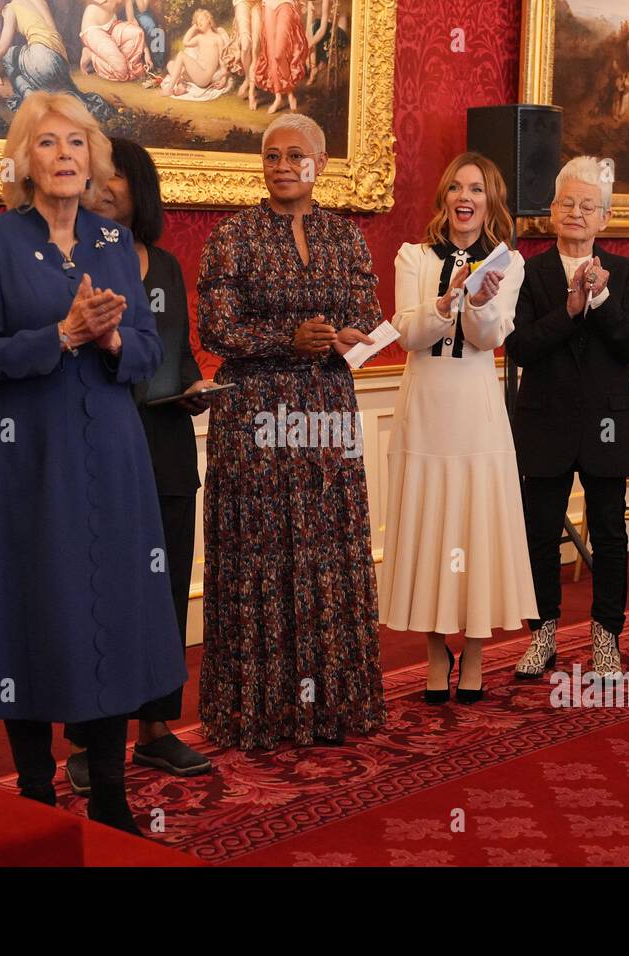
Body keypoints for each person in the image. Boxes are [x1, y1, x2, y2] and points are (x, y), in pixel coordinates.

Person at [0, 91, 186, 835]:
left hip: (113, 454)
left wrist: (112, 341)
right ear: (24, 160)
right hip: (26, 456)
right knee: (28, 604)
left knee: (112, 602)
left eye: (77, 144)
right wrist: (63, 332)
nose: (65, 157)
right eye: (48, 144)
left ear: (94, 160)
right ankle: (35, 791)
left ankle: (110, 794)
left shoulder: (116, 245)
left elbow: (149, 352)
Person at [197, 112, 385, 750]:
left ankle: (334, 707)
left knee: (326, 552)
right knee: (263, 554)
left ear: (320, 166)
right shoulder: (233, 237)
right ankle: (259, 712)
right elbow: (216, 331)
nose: (281, 165)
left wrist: (352, 338)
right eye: (271, 155)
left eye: (295, 155)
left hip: (328, 411)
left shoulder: (347, 238)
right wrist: (287, 338)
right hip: (254, 417)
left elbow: (369, 318)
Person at [66, 138, 216, 787]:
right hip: (103, 453)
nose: (103, 184)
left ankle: (157, 731)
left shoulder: (168, 267)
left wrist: (193, 391)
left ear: (139, 188)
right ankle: (86, 745)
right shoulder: (74, 261)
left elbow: (177, 355)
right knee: (100, 598)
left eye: (115, 175)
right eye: (96, 176)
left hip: (167, 453)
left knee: (164, 594)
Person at [380, 152, 537, 704]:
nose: (464, 197)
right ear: (444, 198)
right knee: (428, 529)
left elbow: (491, 339)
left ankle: (471, 653)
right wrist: (445, 304)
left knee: (471, 531)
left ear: (491, 202)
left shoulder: (509, 264)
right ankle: (433, 651)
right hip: (423, 413)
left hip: (476, 417)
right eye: (455, 188)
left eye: (476, 189)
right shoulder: (413, 257)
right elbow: (406, 334)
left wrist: (480, 304)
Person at [505, 156, 629, 681]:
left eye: (588, 205)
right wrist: (568, 311)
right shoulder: (526, 272)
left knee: (611, 533)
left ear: (604, 218)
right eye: (567, 202)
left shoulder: (626, 273)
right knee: (539, 533)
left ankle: (606, 637)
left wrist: (602, 296)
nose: (576, 212)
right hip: (544, 420)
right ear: (551, 210)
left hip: (609, 421)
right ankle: (542, 634)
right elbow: (519, 347)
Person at [0, 0, 112, 119]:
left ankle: (28, 95)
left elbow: (2, 46)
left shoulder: (11, 8)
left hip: (39, 56)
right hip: (59, 60)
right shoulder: (34, 3)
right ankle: (37, 86)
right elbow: (53, 32)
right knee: (61, 90)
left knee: (7, 55)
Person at [254, 0, 309, 113]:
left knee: (279, 53)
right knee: (271, 52)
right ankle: (278, 97)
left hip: (286, 3)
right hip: (268, 4)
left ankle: (289, 92)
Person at [78, 0, 149, 83]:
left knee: (137, 33)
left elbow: (132, 20)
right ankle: (90, 54)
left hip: (112, 25)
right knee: (121, 71)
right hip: (93, 29)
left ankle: (121, 63)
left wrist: (146, 50)